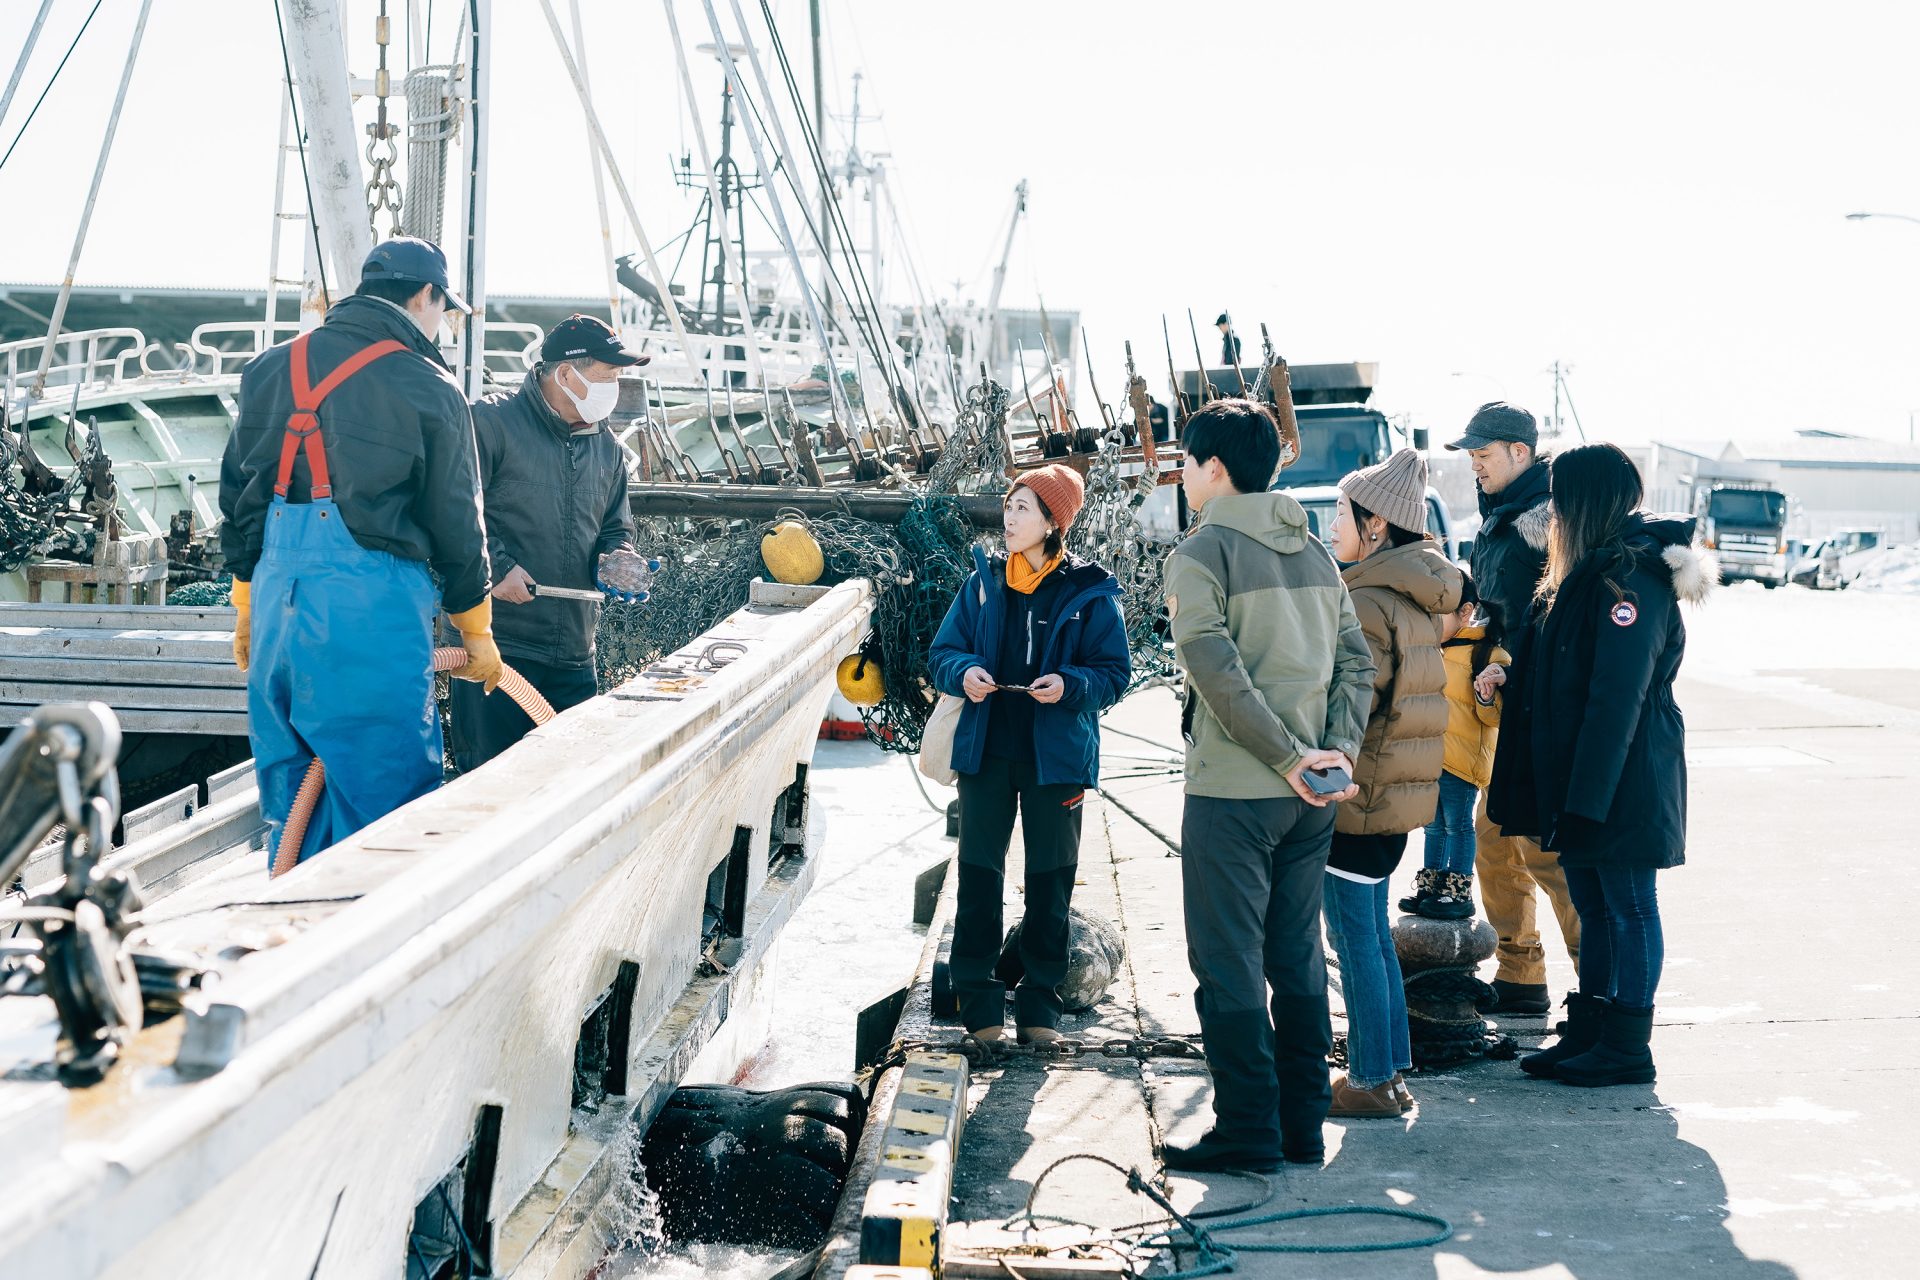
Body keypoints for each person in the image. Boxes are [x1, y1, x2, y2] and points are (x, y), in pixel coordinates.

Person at [219, 237, 499, 867]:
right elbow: (457, 520)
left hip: (274, 609)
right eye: (443, 308)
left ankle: (290, 928)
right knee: (386, 802)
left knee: (289, 794)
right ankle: (371, 947)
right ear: (425, 297)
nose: (441, 322)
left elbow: (237, 495)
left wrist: (244, 603)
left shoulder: (267, 370)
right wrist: (474, 628)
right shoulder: (429, 385)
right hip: (365, 618)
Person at [1158, 398, 1375, 1173]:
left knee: (1227, 962)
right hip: (1312, 795)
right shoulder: (1316, 553)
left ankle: (1247, 1128)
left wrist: (1282, 756)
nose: (1181, 475)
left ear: (1215, 470)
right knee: (1294, 957)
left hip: (1235, 794)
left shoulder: (1201, 552)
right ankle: (1302, 1127)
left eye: (1185, 462)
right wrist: (1333, 753)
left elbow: (1215, 673)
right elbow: (1357, 663)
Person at [1493, 443, 1715, 1086]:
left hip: (1624, 776)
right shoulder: (1592, 571)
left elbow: (1617, 696)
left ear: (1584, 502)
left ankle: (1627, 1043)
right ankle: (1592, 1026)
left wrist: (1587, 795)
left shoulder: (1631, 580)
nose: (1552, 512)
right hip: (1591, 774)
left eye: (1561, 499)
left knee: (1628, 904)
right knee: (1594, 902)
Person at [928, 464, 1131, 1048]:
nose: (1009, 517)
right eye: (1009, 504)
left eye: (1022, 508)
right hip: (986, 752)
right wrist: (963, 673)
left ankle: (1040, 1008)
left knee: (1050, 885)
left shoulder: (1090, 593)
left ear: (1052, 522)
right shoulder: (984, 582)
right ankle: (980, 1003)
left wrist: (1070, 685)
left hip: (1057, 760)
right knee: (979, 879)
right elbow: (942, 652)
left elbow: (1115, 674)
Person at [1322, 448, 1464, 1117]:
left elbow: (1352, 706)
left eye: (1340, 515)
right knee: (1372, 937)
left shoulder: (1368, 603)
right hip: (1395, 802)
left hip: (1359, 799)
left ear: (1375, 526)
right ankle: (1391, 1072)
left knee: (1355, 940)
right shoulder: (1410, 600)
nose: (1331, 527)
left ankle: (1371, 1079)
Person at [449, 315, 654, 771]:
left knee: (570, 790)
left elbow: (616, 528)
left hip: (577, 657)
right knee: (488, 790)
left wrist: (619, 558)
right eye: (610, 375)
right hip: (495, 649)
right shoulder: (490, 422)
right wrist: (497, 569)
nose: (616, 387)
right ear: (566, 373)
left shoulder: (607, 447)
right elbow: (455, 511)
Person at [1447, 401, 1580, 1016]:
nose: (1474, 465)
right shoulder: (1499, 515)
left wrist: (1508, 659)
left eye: (1483, 454)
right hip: (1499, 702)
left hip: (1535, 703)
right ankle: (1520, 975)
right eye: (1471, 455)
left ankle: (1604, 986)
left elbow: (1553, 619)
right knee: (1495, 840)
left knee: (1543, 850)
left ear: (1520, 452)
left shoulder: (1549, 520)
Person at [1402, 575, 1508, 920]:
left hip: (1462, 761)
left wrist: (1485, 694)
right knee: (1432, 826)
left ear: (1466, 612)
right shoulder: (1435, 650)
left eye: (1440, 614)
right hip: (1430, 757)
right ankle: (1432, 886)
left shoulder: (1489, 654)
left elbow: (1493, 719)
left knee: (1458, 825)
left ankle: (1457, 890)